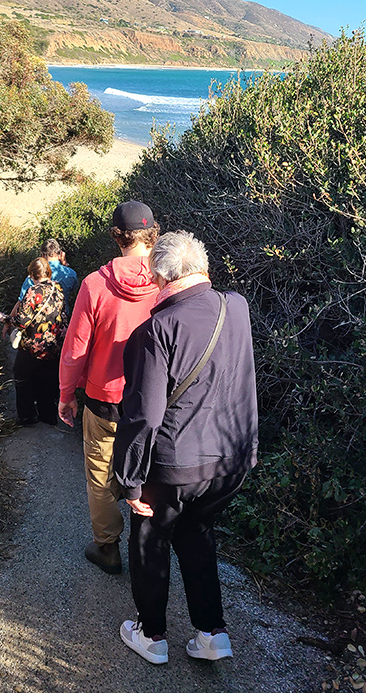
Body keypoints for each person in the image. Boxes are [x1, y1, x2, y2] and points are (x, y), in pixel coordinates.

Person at [113, 230, 258, 665]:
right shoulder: (237, 306)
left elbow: (144, 416)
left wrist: (130, 481)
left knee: (150, 538)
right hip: (231, 460)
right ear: (203, 268)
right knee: (197, 534)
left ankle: (151, 635)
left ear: (158, 277)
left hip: (175, 466)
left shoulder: (155, 330)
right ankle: (212, 633)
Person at [58, 201, 160, 575]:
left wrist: (66, 395)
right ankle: (147, 548)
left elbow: (75, 350)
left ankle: (108, 548)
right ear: (154, 234)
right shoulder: (168, 281)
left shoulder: (95, 284)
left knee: (100, 477)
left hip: (103, 401)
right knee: (145, 472)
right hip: (153, 401)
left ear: (117, 237)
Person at [0, 257, 67, 426]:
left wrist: (4, 318)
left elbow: (22, 322)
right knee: (48, 380)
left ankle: (27, 416)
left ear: (32, 274)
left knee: (22, 378)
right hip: (53, 344)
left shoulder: (33, 291)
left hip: (33, 346)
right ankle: (48, 415)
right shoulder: (58, 288)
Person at [18, 239, 77, 314]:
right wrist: (65, 264)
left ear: (43, 255)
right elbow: (74, 292)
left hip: (39, 320)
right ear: (60, 254)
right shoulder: (70, 274)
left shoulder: (33, 276)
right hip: (61, 319)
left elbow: (21, 301)